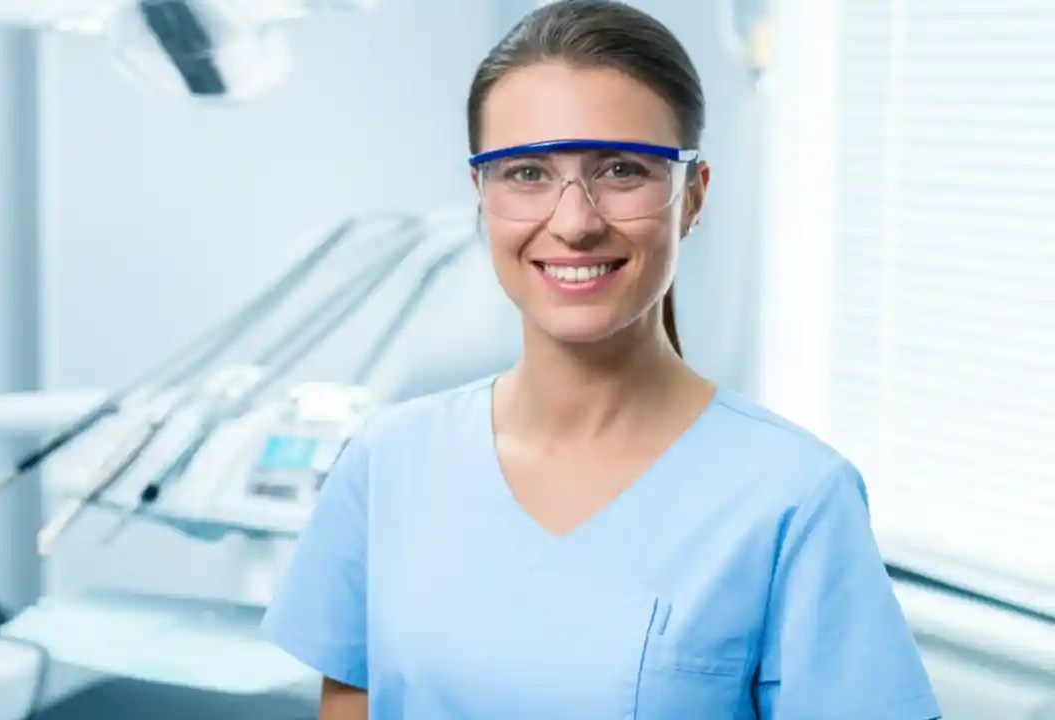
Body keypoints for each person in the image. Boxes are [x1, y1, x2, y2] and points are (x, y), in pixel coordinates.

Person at [262, 1, 942, 717]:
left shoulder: (793, 498)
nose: (576, 221)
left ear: (692, 196)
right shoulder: (388, 463)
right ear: (481, 197)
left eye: (622, 171)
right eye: (526, 173)